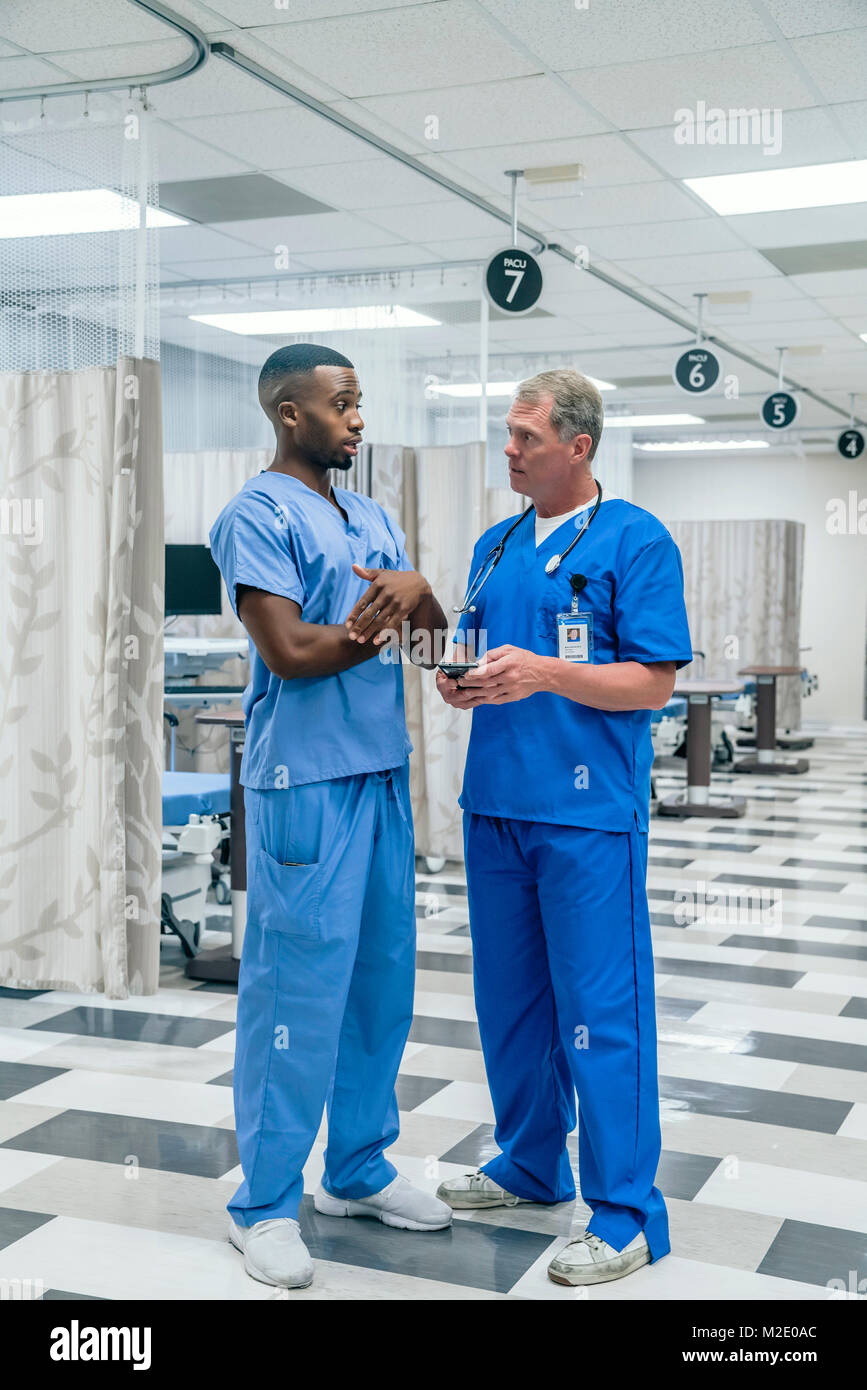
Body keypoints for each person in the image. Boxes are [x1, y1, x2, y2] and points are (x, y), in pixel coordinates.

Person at [435, 368, 692, 1287]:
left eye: (524, 437)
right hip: (496, 806)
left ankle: (626, 1214)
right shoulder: (495, 545)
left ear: (577, 447)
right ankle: (528, 1163)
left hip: (585, 817)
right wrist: (455, 679)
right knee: (510, 1004)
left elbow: (654, 682)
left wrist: (545, 672)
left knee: (600, 1013)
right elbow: (469, 654)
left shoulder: (633, 539)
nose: (508, 450)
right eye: (507, 436)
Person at [209, 343, 451, 1289]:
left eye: (359, 404)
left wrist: (420, 592)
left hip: (379, 776)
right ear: (288, 414)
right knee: (294, 998)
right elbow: (293, 651)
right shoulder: (254, 515)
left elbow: (432, 649)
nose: (357, 420)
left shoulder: (370, 515)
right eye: (341, 405)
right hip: (302, 786)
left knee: (379, 989)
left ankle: (355, 1169)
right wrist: (380, 614)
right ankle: (262, 1204)